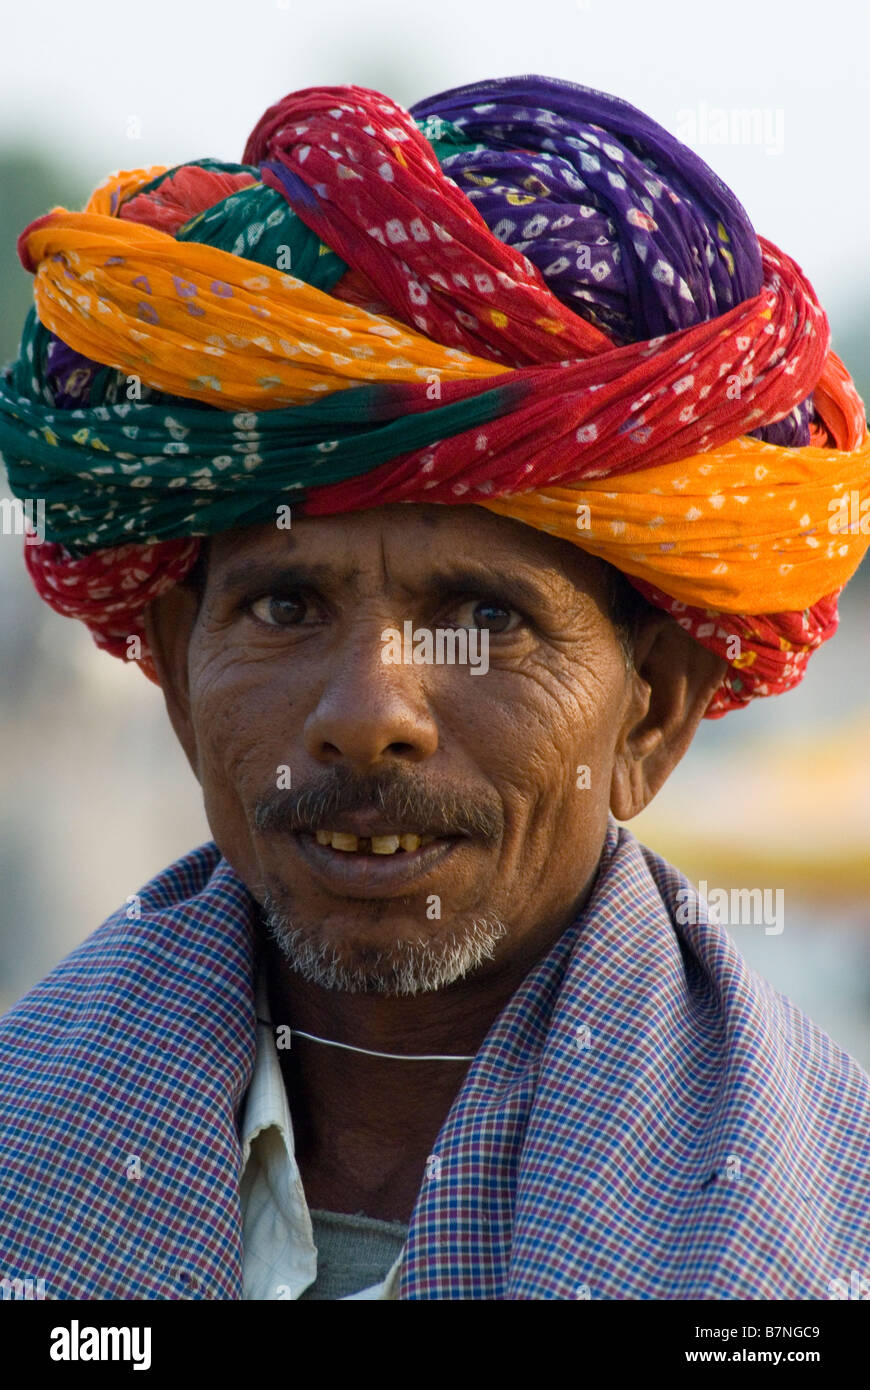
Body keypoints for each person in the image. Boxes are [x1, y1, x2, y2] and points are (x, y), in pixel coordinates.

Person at [0, 74, 868, 1301]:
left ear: (655, 710)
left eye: (485, 618)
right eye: (286, 606)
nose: (367, 714)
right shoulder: (21, 1157)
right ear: (183, 676)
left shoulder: (825, 1255)